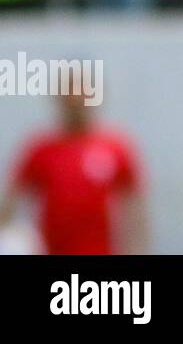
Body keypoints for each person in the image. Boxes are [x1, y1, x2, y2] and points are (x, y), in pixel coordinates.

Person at [0, 92, 148, 255]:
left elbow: (135, 210)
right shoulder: (41, 150)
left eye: (82, 98)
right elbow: (10, 201)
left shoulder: (115, 148)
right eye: (70, 99)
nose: (76, 104)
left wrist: (137, 250)